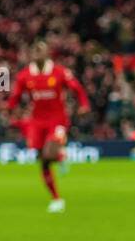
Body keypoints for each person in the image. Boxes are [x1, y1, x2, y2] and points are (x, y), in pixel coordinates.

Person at [7, 40, 91, 212]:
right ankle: (56, 199)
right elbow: (15, 96)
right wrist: (10, 109)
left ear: (47, 54)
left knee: (48, 154)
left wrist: (84, 104)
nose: (38, 54)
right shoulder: (24, 76)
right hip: (37, 122)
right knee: (43, 162)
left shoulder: (60, 72)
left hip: (57, 120)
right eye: (35, 51)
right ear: (31, 55)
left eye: (41, 51)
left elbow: (77, 88)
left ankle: (59, 155)